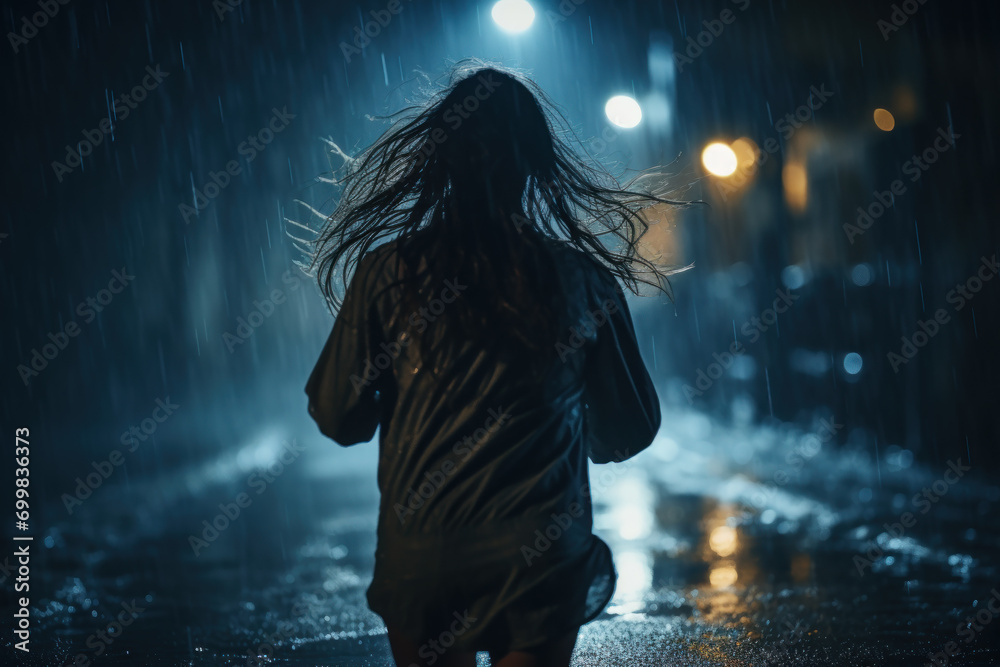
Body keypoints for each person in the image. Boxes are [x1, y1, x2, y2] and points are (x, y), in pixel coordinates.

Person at [304, 60, 691, 667]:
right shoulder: (583, 281)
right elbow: (629, 429)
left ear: (440, 161)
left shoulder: (386, 274)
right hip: (539, 557)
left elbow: (338, 415)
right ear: (535, 164)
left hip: (423, 556)